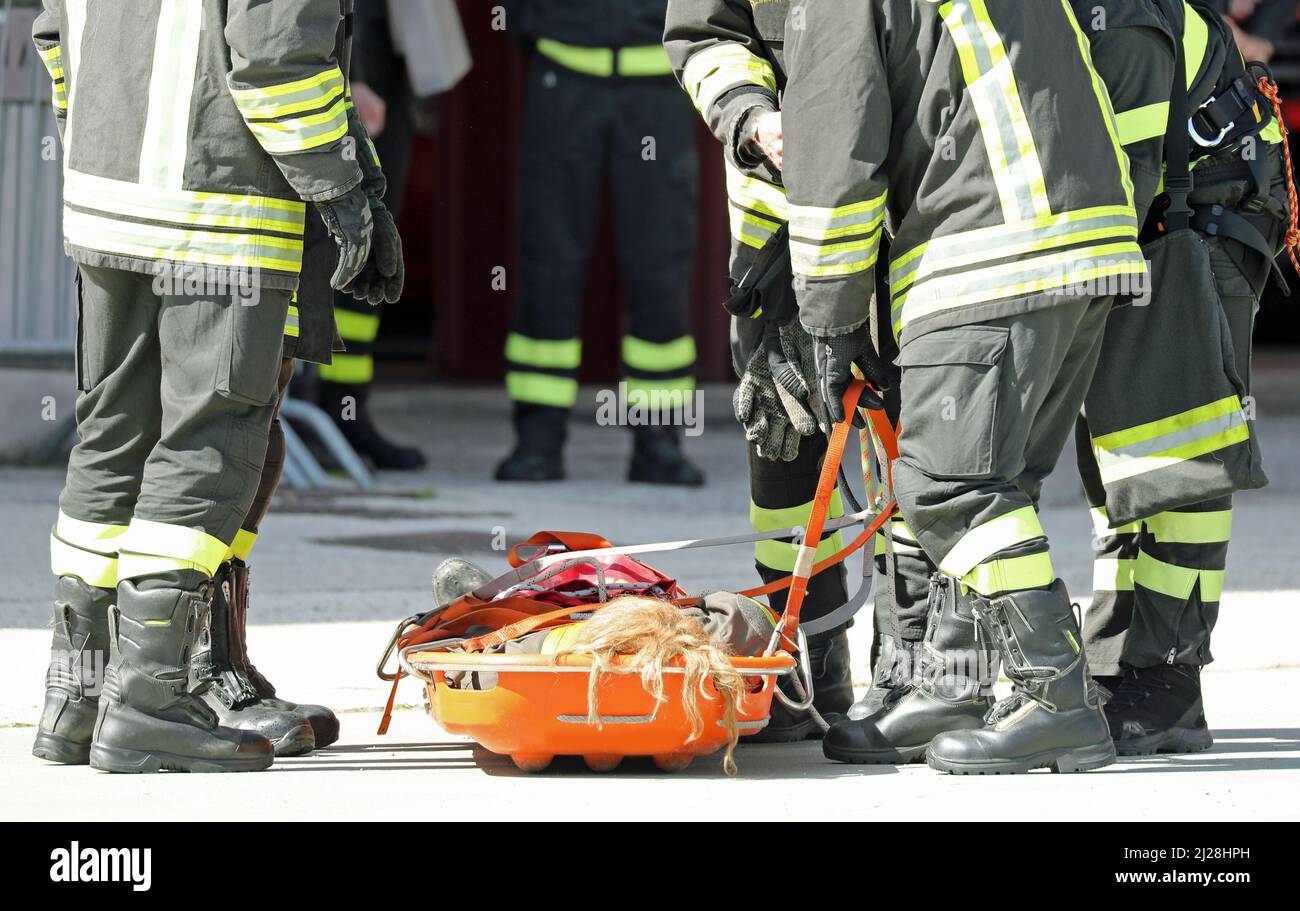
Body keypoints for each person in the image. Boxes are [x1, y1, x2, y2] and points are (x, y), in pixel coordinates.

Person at [783, 0, 1148, 773]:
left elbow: (835, 145)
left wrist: (833, 320)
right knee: (994, 477)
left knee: (951, 485)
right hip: (1084, 242)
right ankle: (955, 681)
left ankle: (1057, 697)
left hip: (992, 247)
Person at [31, 0, 385, 773]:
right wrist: (344, 189)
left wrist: (102, 137)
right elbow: (274, 54)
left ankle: (79, 695)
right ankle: (152, 702)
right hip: (217, 207)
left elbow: (54, 36)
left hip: (106, 201)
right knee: (209, 441)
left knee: (112, 438)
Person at [1073, 0, 1291, 756]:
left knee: (1188, 444)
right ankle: (1114, 657)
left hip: (1207, 222)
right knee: (1126, 440)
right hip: (1157, 217)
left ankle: (1169, 681)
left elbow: (1120, 178)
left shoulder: (1119, 16)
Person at [664, 0, 857, 742]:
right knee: (784, 445)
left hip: (915, 215)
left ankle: (920, 672)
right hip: (781, 232)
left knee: (917, 450)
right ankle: (807, 673)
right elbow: (705, 33)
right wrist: (751, 117)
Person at [494, 0, 705, 486]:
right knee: (548, 261)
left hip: (658, 88)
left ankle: (659, 443)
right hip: (562, 77)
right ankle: (537, 442)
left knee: (660, 267)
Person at [314, 0, 443, 471]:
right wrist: (354, 75)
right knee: (331, 251)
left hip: (380, 71)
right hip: (339, 72)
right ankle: (313, 420)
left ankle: (346, 413)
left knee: (369, 258)